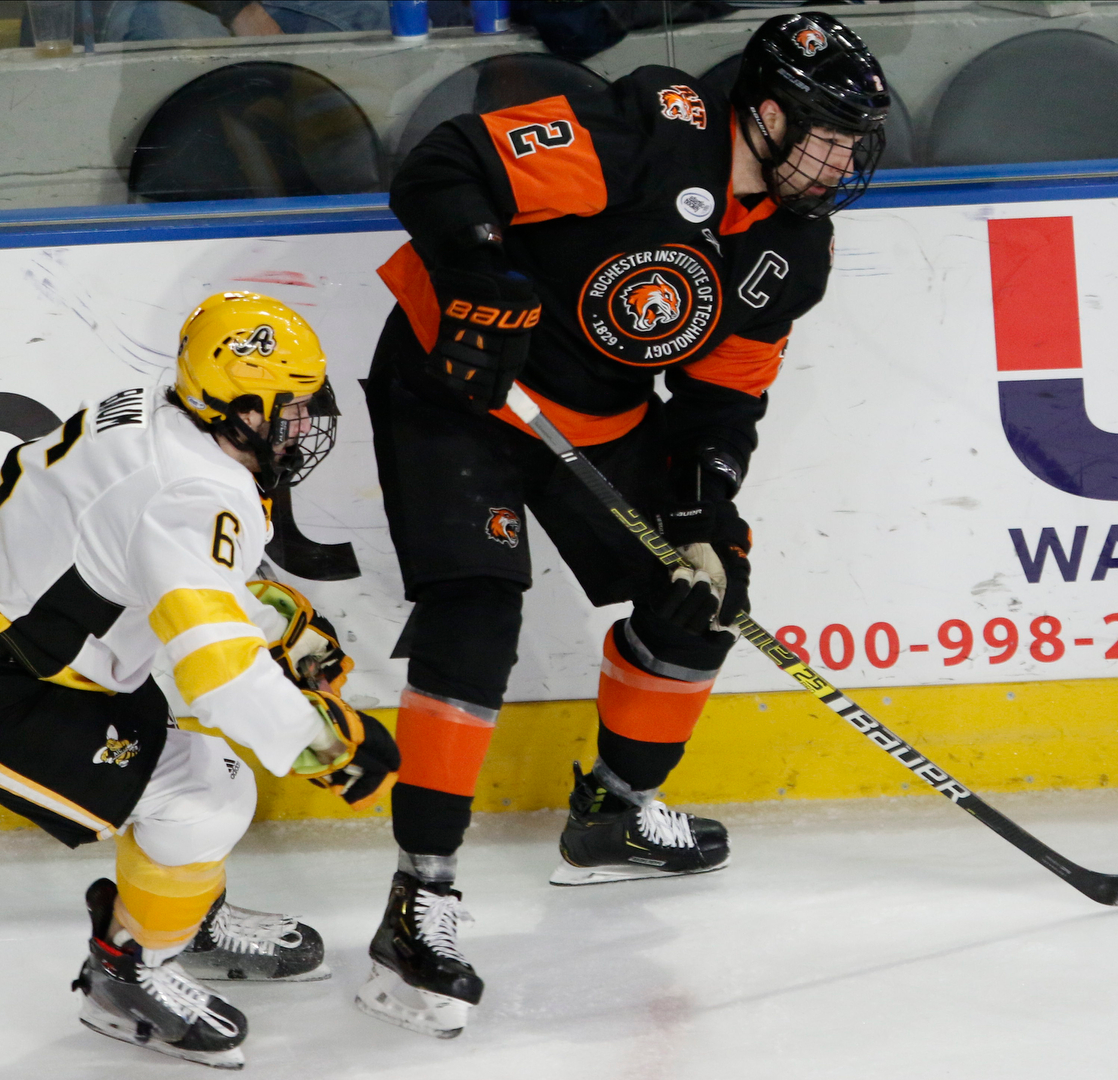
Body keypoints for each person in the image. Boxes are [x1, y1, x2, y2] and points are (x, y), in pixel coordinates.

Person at [357, 10, 890, 1038]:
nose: (841, 162)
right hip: (458, 384)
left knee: (707, 592)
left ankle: (608, 816)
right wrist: (481, 277)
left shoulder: (791, 248)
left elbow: (722, 399)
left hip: (590, 412)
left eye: (855, 142)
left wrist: (702, 502)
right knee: (477, 613)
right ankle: (419, 899)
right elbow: (444, 165)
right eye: (828, 134)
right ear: (767, 114)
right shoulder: (649, 139)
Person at [0, 292, 400, 1069]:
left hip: (19, 639)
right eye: (288, 408)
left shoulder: (166, 408)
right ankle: (127, 974)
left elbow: (143, 551)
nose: (304, 424)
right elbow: (218, 673)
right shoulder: (195, 492)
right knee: (206, 793)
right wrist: (326, 745)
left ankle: (182, 914)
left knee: (195, 782)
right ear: (235, 409)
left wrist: (276, 622)